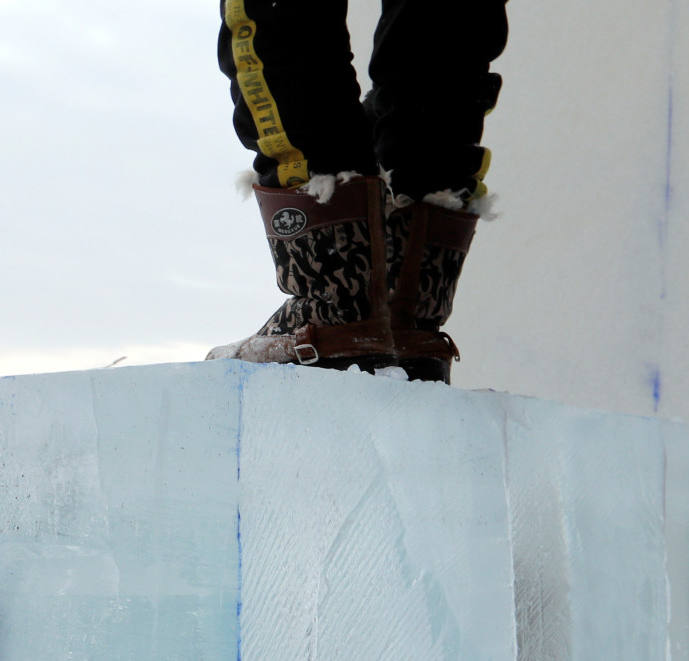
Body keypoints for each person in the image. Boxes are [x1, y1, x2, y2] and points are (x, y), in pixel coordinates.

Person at [208, 0, 509, 381]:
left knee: (277, 17)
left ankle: (337, 314)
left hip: (330, 333)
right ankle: (407, 321)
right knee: (441, 26)